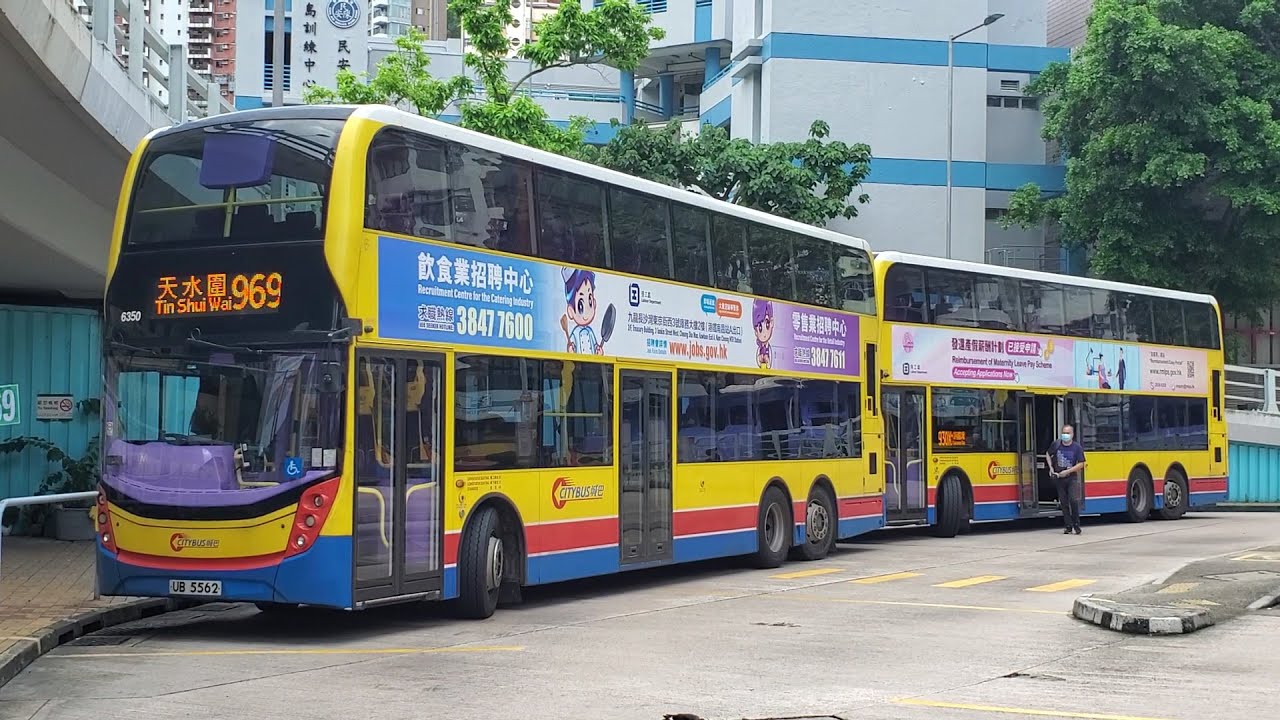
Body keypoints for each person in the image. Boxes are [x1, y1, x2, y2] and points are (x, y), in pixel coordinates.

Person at [1047, 424, 1087, 534]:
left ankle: (1076, 524)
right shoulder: (1056, 444)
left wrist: (1068, 472)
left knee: (1073, 500)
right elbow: (1048, 454)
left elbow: (1081, 464)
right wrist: (1051, 468)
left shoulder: (1077, 447)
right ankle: (1068, 526)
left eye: (1068, 433)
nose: (1065, 435)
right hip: (1059, 478)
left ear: (1072, 435)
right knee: (1063, 503)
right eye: (1064, 432)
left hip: (1071, 477)